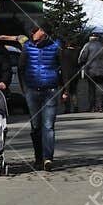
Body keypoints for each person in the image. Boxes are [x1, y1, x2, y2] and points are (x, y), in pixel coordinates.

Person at [19, 26, 63, 170]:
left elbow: (62, 68)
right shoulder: (27, 47)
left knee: (48, 126)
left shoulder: (55, 47)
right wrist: (24, 89)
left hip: (50, 90)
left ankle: (48, 158)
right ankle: (38, 157)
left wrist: (64, 89)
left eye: (37, 30)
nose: (33, 33)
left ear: (44, 33)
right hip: (32, 91)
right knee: (36, 126)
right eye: (33, 30)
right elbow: (21, 68)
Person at [78, 33, 103, 112]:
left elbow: (82, 58)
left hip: (91, 70)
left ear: (90, 38)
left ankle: (92, 107)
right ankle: (100, 106)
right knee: (101, 88)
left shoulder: (87, 45)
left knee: (91, 89)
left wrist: (81, 63)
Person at [59, 37, 82, 113]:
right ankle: (76, 107)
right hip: (75, 73)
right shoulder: (77, 52)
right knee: (74, 91)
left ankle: (67, 108)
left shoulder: (63, 52)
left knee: (66, 90)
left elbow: (59, 61)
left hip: (65, 73)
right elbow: (80, 62)